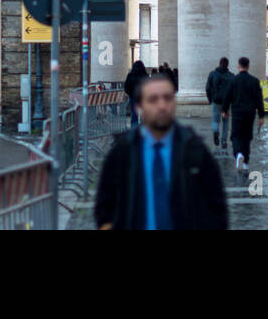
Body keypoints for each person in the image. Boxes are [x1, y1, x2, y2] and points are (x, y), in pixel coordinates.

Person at [94, 73, 227, 230]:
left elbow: (217, 209)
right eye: (153, 99)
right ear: (138, 107)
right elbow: (104, 209)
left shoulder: (196, 151)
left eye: (167, 98)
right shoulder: (121, 153)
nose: (162, 106)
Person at [220, 56, 264, 174]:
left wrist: (224, 110)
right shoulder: (255, 81)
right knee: (247, 136)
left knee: (236, 135)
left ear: (238, 66)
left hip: (237, 112)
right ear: (248, 66)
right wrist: (261, 115)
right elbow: (259, 99)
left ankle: (238, 153)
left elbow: (227, 96)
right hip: (250, 113)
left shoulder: (233, 80)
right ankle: (245, 162)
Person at [204, 57, 235, 149]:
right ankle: (224, 141)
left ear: (219, 63)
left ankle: (216, 132)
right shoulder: (231, 75)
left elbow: (207, 88)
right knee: (225, 121)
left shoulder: (212, 74)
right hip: (227, 102)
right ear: (227, 65)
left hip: (216, 100)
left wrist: (210, 99)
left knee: (215, 120)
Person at [124, 60, 149, 127]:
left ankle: (134, 132)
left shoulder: (130, 75)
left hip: (133, 97)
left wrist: (130, 94)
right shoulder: (145, 76)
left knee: (134, 115)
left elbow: (126, 87)